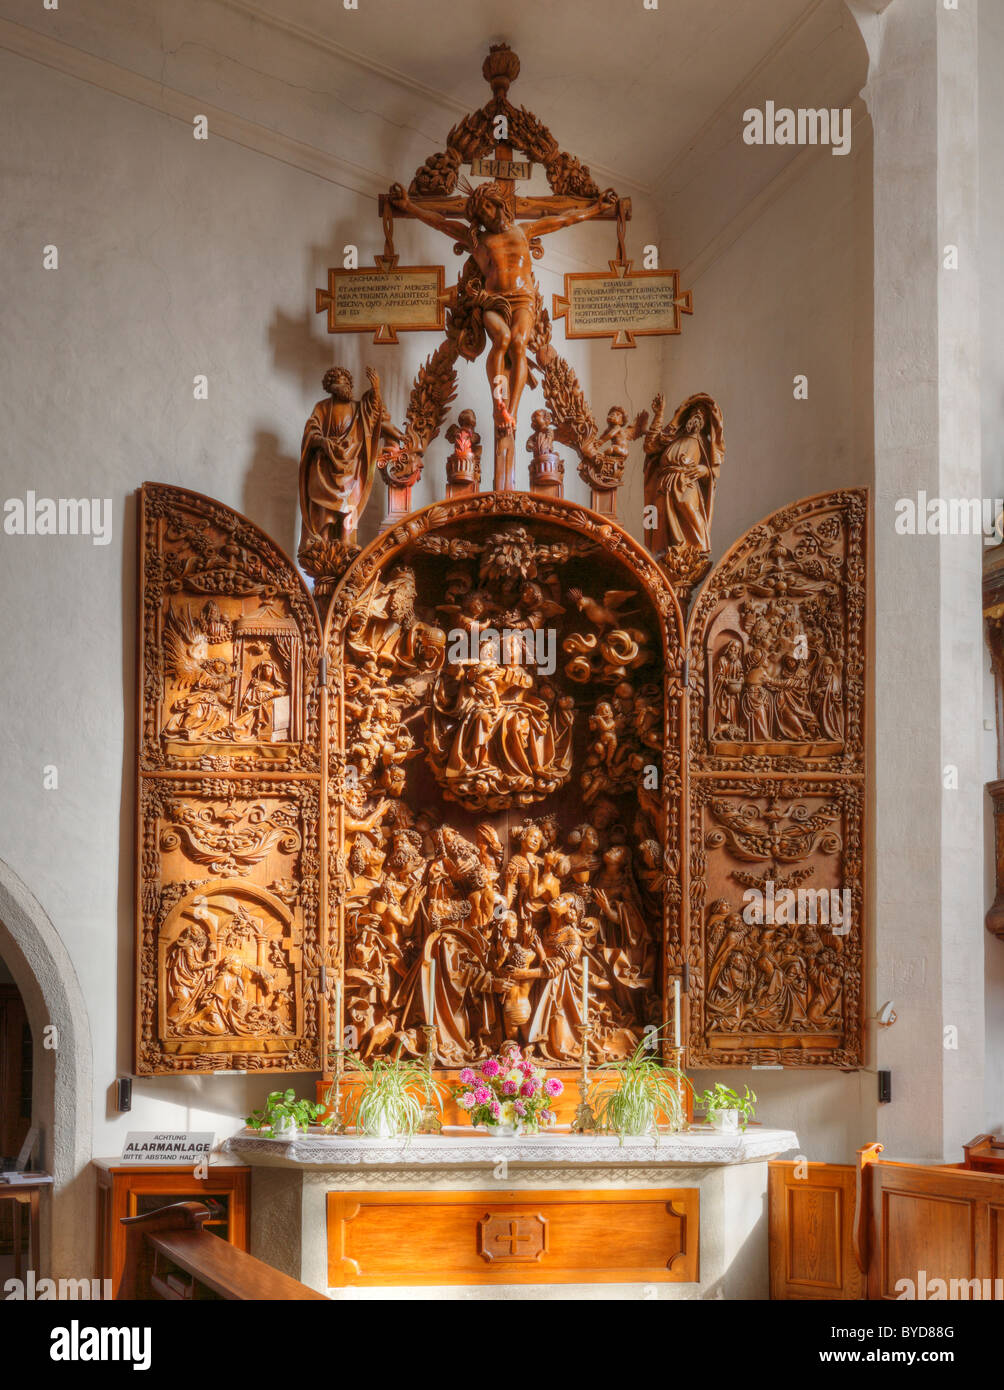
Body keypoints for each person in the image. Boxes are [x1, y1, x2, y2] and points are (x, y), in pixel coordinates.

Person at [389, 179, 617, 430]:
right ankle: (498, 401)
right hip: (493, 301)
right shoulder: (477, 240)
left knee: (518, 343)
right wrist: (408, 206)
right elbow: (440, 223)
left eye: (488, 206)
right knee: (502, 338)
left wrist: (596, 208)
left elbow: (564, 219)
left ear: (499, 204)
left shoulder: (524, 231)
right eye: (480, 213)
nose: (486, 214)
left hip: (522, 300)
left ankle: (512, 411)